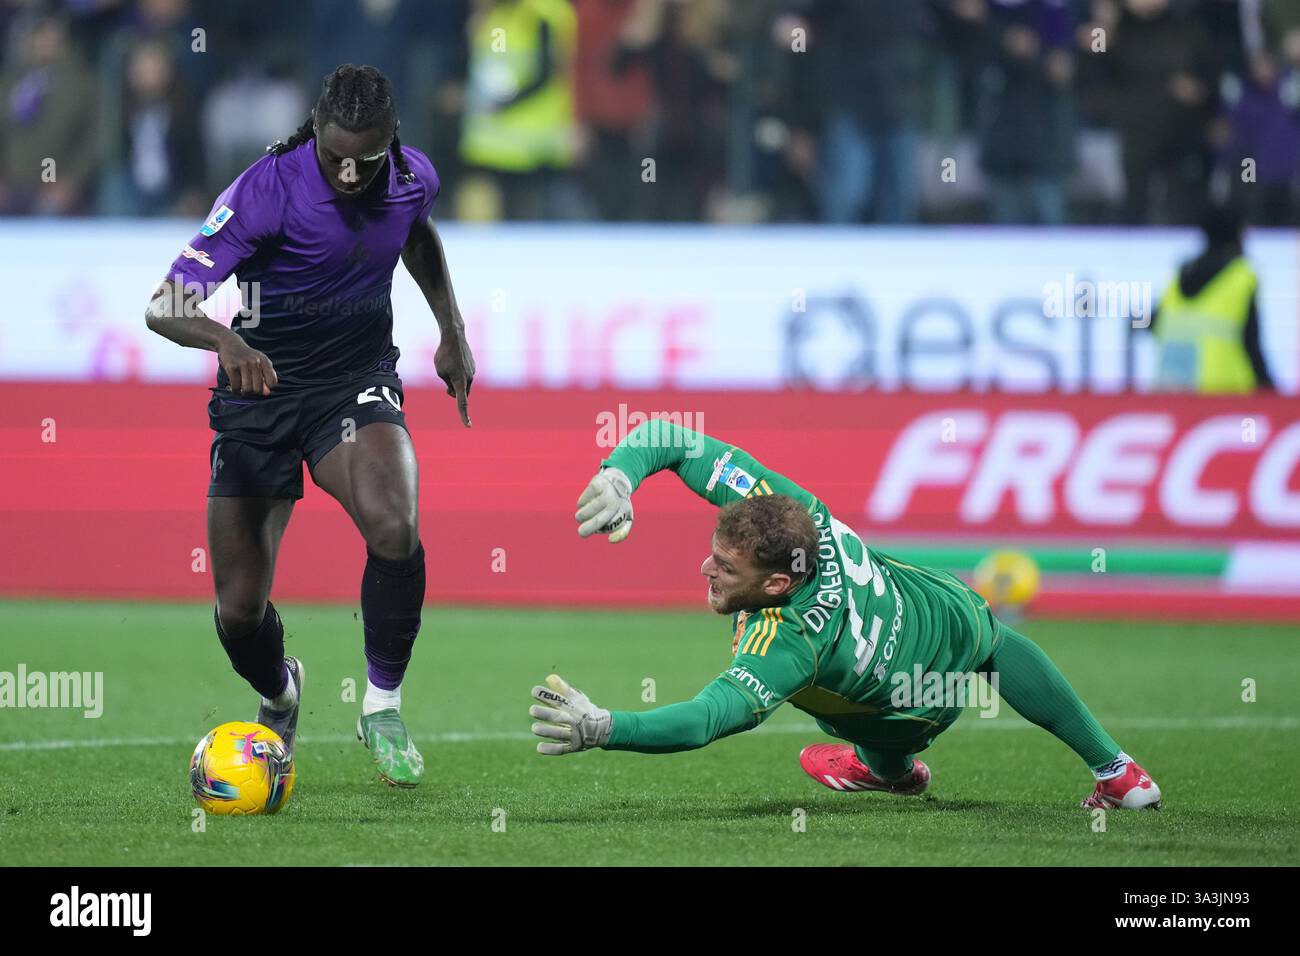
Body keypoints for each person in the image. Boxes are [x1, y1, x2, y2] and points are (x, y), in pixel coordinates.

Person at [529, 422, 1162, 810]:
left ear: (778, 583)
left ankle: (886, 769)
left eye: (727, 568)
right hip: (945, 614)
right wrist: (620, 475)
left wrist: (605, 727)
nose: (706, 570)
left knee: (840, 700)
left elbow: (703, 719)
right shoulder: (790, 509)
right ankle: (1117, 770)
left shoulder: (787, 645)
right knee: (993, 634)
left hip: (914, 713)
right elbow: (671, 438)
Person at [145, 64, 475, 789]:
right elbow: (164, 304)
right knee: (238, 613)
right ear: (315, 135)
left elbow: (416, 235)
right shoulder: (264, 190)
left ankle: (382, 704)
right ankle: (280, 692)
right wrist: (227, 343)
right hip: (259, 389)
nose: (351, 173)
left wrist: (451, 328)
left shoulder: (413, 176)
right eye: (335, 157)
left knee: (394, 524)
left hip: (352, 385)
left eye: (367, 157)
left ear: (393, 139)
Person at [1150, 203, 1274, 393]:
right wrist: (1271, 394)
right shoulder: (1241, 277)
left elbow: (1154, 324)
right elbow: (1251, 344)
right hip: (1226, 398)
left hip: (1171, 398)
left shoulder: (1180, 277)